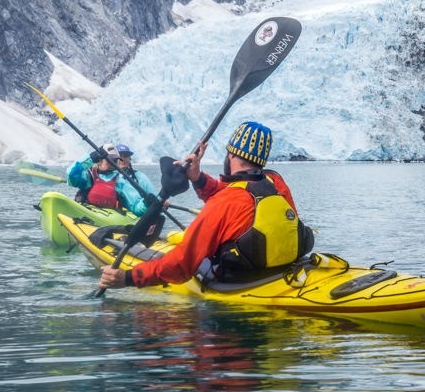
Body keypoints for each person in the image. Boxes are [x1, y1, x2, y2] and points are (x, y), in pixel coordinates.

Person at [99, 121, 315, 290]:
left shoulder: (226, 202)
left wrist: (127, 277)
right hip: (280, 269)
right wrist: (198, 177)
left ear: (231, 154)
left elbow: (181, 265)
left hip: (238, 284)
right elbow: (239, 194)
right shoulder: (276, 183)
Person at [66, 143, 150, 216]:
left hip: (107, 218)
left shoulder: (121, 181)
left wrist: (147, 203)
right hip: (86, 213)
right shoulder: (88, 175)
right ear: (99, 160)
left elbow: (135, 206)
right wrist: (90, 158)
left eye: (116, 160)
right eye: (110, 159)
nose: (113, 163)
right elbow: (71, 175)